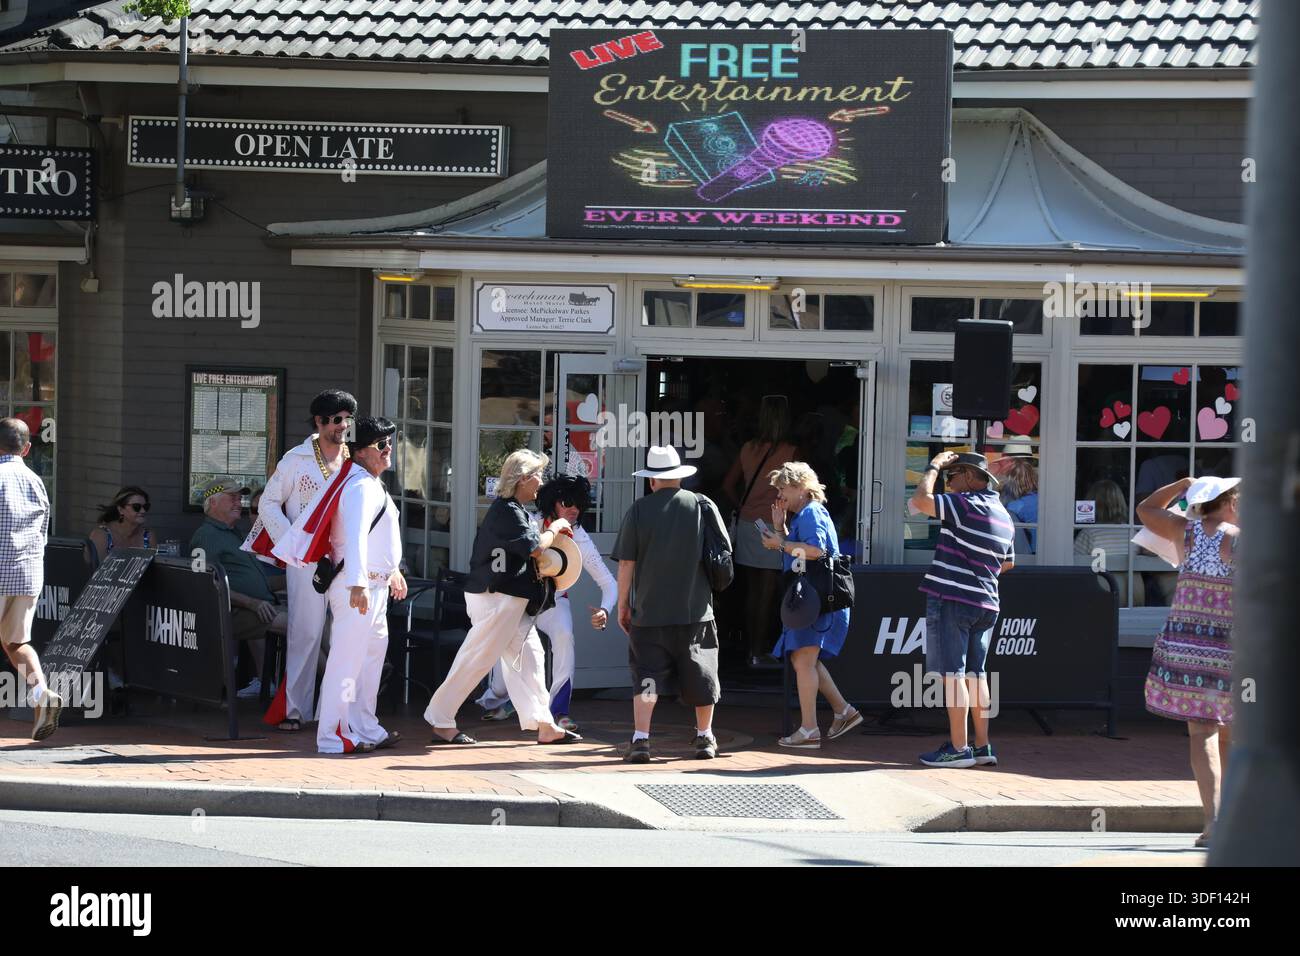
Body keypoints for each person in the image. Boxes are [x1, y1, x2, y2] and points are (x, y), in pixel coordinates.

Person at [423, 450, 581, 746]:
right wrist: (556, 527)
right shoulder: (507, 510)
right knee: (478, 658)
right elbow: (535, 548)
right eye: (538, 475)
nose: (541, 481)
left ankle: (544, 724)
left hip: (509, 597)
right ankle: (440, 718)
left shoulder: (513, 509)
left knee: (531, 657)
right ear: (523, 479)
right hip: (496, 597)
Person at [291, 417, 407, 754]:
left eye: (389, 443)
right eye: (380, 445)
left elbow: (376, 536)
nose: (388, 450)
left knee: (369, 662)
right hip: (359, 587)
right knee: (346, 663)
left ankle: (366, 727)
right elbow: (354, 538)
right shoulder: (359, 486)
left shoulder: (367, 483)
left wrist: (392, 570)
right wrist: (358, 584)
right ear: (359, 451)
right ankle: (333, 735)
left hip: (375, 586)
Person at [1138, 474, 1240, 848]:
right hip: (1232, 647)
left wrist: (1180, 485)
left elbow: (1145, 509)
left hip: (1186, 645)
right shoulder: (1241, 539)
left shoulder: (1185, 531)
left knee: (1202, 733)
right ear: (1230, 502)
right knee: (1232, 733)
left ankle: (1212, 821)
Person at [246, 388, 356, 732]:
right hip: (305, 560)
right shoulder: (295, 459)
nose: (342, 426)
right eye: (336, 420)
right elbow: (268, 503)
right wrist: (293, 545)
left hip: (344, 558)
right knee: (306, 634)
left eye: (346, 419)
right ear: (320, 422)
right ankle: (294, 709)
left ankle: (339, 711)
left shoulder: (355, 459)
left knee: (346, 634)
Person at [613, 445, 730, 763]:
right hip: (696, 611)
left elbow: (626, 563)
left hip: (649, 614)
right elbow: (723, 553)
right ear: (679, 477)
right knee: (701, 673)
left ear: (651, 480)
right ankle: (705, 737)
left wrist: (623, 604)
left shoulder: (639, 510)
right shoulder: (703, 505)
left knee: (647, 677)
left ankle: (641, 740)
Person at [476, 474, 617, 731]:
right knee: (507, 649)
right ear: (553, 502)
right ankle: (500, 698)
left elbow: (609, 582)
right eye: (567, 503)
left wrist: (605, 610)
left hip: (554, 599)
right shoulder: (531, 522)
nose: (573, 510)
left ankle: (559, 709)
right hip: (522, 599)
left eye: (579, 505)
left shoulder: (580, 537)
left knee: (565, 635)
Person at [910, 452, 1015, 768]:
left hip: (953, 598)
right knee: (975, 674)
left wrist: (932, 466)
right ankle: (981, 747)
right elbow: (1007, 563)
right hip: (987, 601)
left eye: (951, 475)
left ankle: (958, 748)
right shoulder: (1002, 512)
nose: (948, 481)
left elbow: (922, 500)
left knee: (952, 674)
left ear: (969, 476)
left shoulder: (965, 503)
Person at [761, 462, 859, 748]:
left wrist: (780, 543)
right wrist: (781, 530)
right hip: (814, 598)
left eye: (783, 488)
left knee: (802, 660)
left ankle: (809, 730)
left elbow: (816, 552)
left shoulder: (812, 511)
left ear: (800, 486)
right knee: (807, 660)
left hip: (815, 598)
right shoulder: (807, 513)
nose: (780, 495)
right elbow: (803, 551)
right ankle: (844, 711)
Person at [191, 479, 285, 699]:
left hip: (261, 607)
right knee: (302, 628)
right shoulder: (206, 536)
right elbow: (204, 584)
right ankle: (332, 690)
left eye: (239, 497)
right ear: (212, 503)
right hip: (233, 613)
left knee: (315, 626)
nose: (238, 503)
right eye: (231, 497)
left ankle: (341, 682)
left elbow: (256, 581)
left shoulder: (235, 533)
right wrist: (252, 603)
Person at [0, 418, 63, 739]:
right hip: (26, 574)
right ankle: (42, 694)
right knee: (16, 643)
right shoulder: (36, 481)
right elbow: (42, 534)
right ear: (26, 448)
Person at [721, 395, 796, 665]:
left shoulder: (747, 448)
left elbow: (728, 484)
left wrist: (743, 505)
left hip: (748, 523)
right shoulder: (791, 451)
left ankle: (751, 649)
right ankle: (757, 650)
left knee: (752, 590)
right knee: (768, 591)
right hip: (773, 524)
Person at [1073, 479, 1144, 606]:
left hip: (1105, 591)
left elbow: (1073, 563)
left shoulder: (1090, 533)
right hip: (1134, 592)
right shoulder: (1132, 532)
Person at [85, 486, 152, 567]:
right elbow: (93, 570)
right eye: (136, 507)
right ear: (120, 510)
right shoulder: (102, 535)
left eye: (146, 507)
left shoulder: (148, 536)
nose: (143, 511)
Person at [990, 445, 1038, 554]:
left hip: (1024, 558)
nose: (998, 465)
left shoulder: (1013, 507)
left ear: (1009, 462)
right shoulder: (1042, 497)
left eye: (1001, 462)